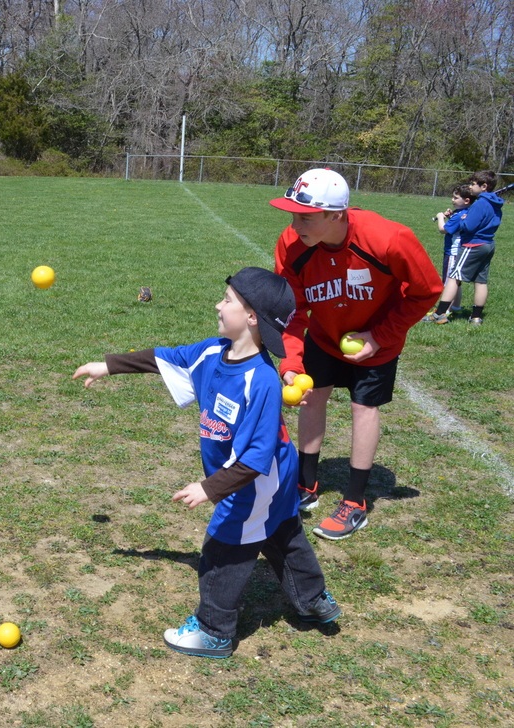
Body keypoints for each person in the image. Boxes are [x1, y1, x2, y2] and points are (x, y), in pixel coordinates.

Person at [73, 267, 341, 659]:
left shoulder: (262, 381)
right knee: (281, 532)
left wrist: (209, 488)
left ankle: (215, 630)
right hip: (269, 479)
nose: (219, 304)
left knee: (223, 547)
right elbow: (164, 358)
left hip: (254, 480)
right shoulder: (212, 352)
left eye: (229, 299)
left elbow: (254, 457)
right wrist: (109, 366)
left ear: (252, 317)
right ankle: (313, 599)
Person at [271, 168, 442, 540]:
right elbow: (294, 310)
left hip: (377, 340)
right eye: (292, 214)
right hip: (324, 334)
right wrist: (290, 364)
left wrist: (379, 337)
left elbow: (427, 291)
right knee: (312, 397)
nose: (294, 223)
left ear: (336, 215)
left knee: (363, 407)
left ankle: (355, 501)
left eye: (305, 216)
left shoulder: (388, 238)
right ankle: (305, 484)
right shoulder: (291, 244)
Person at [424, 170, 504, 326]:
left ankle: (440, 314)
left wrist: (463, 219)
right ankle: (476, 317)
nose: (471, 186)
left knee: (454, 277)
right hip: (488, 244)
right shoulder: (496, 203)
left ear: (484, 186)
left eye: (473, 184)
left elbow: (468, 226)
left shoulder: (480, 203)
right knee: (481, 281)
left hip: (473, 245)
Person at [433, 183, 475, 313]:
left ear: (467, 200)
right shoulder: (466, 212)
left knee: (448, 282)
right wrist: (450, 215)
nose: (452, 200)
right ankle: (456, 306)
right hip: (460, 251)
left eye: (456, 198)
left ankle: (445, 310)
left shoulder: (458, 216)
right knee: (456, 281)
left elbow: (443, 229)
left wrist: (441, 217)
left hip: (452, 252)